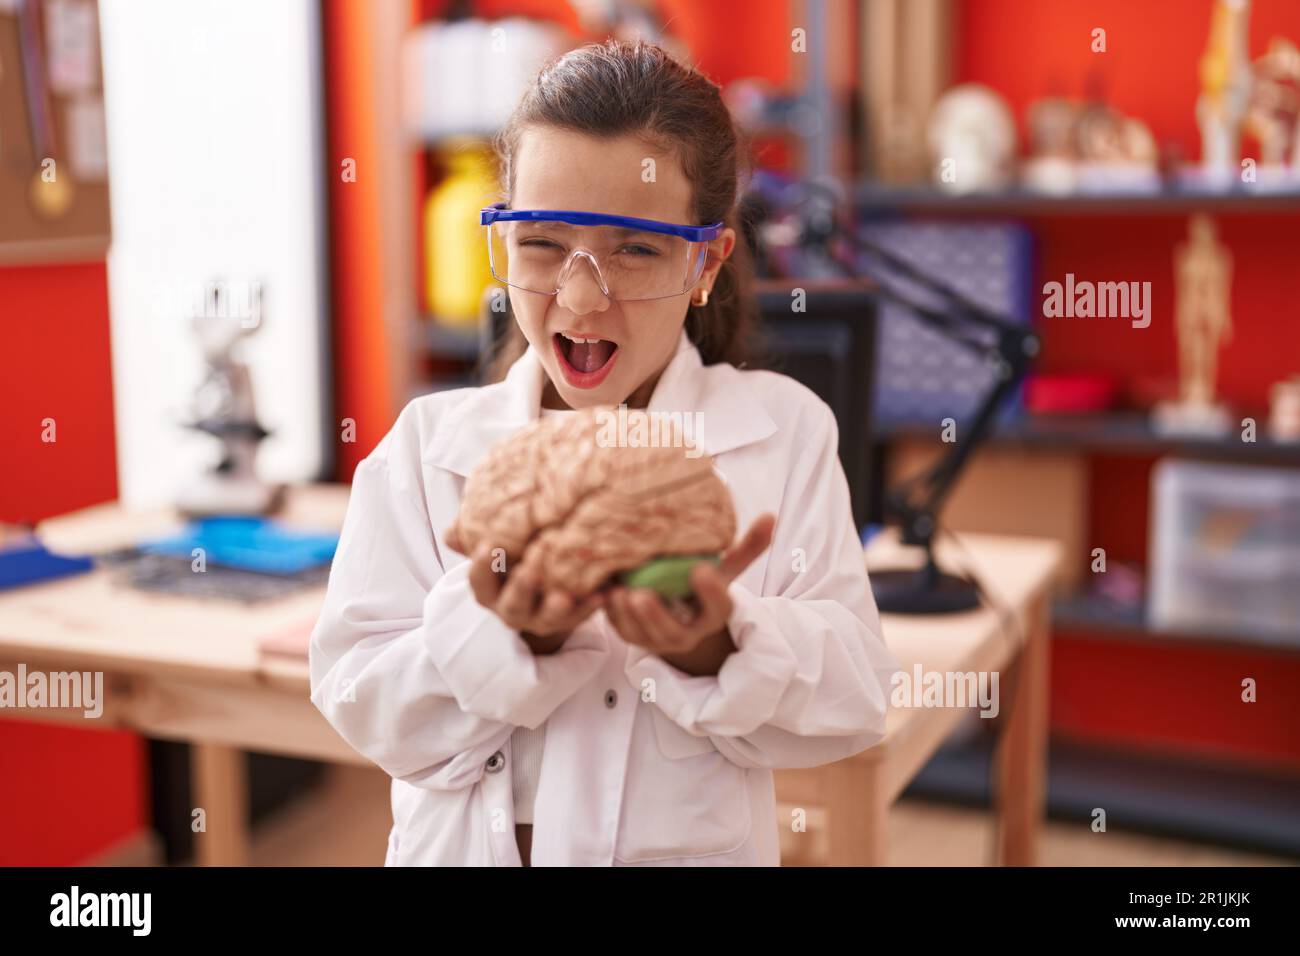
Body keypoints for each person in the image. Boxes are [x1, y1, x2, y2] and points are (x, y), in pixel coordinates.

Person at [309, 38, 899, 867]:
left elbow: (859, 699)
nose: (582, 299)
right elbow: (357, 698)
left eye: (636, 249)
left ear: (706, 261)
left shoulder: (785, 434)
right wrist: (505, 638)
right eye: (542, 243)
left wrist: (721, 645)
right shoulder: (424, 450)